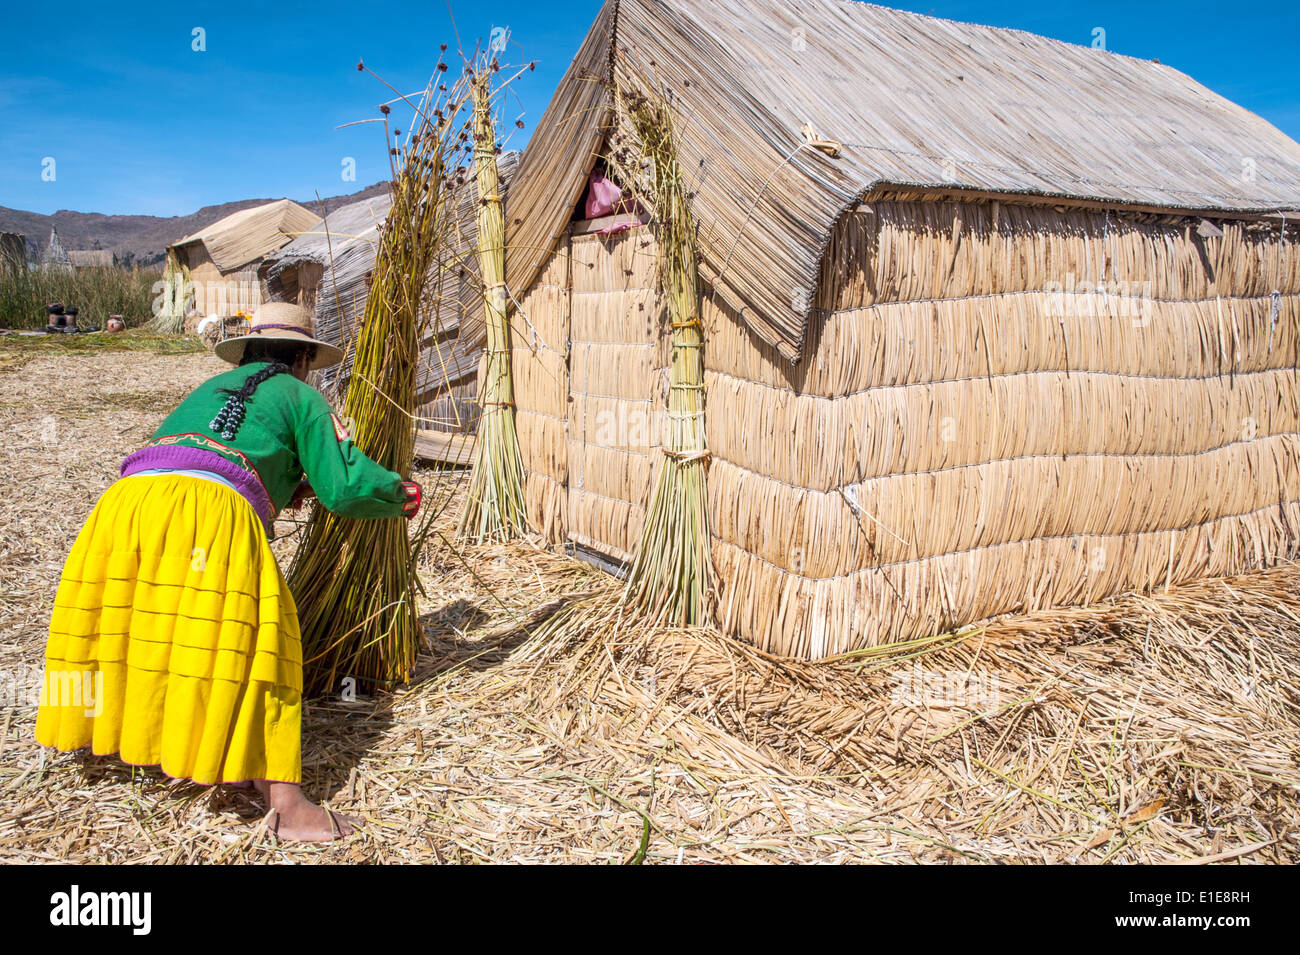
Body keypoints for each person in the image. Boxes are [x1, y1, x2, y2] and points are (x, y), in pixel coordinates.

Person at [33, 302, 421, 841]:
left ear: (246, 352)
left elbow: (213, 450)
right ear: (306, 357)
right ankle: (285, 805)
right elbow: (343, 486)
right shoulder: (304, 395)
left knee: (144, 622)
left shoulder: (209, 389)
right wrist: (400, 494)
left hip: (126, 504)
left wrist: (284, 484)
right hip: (209, 513)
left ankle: (97, 735)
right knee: (261, 639)